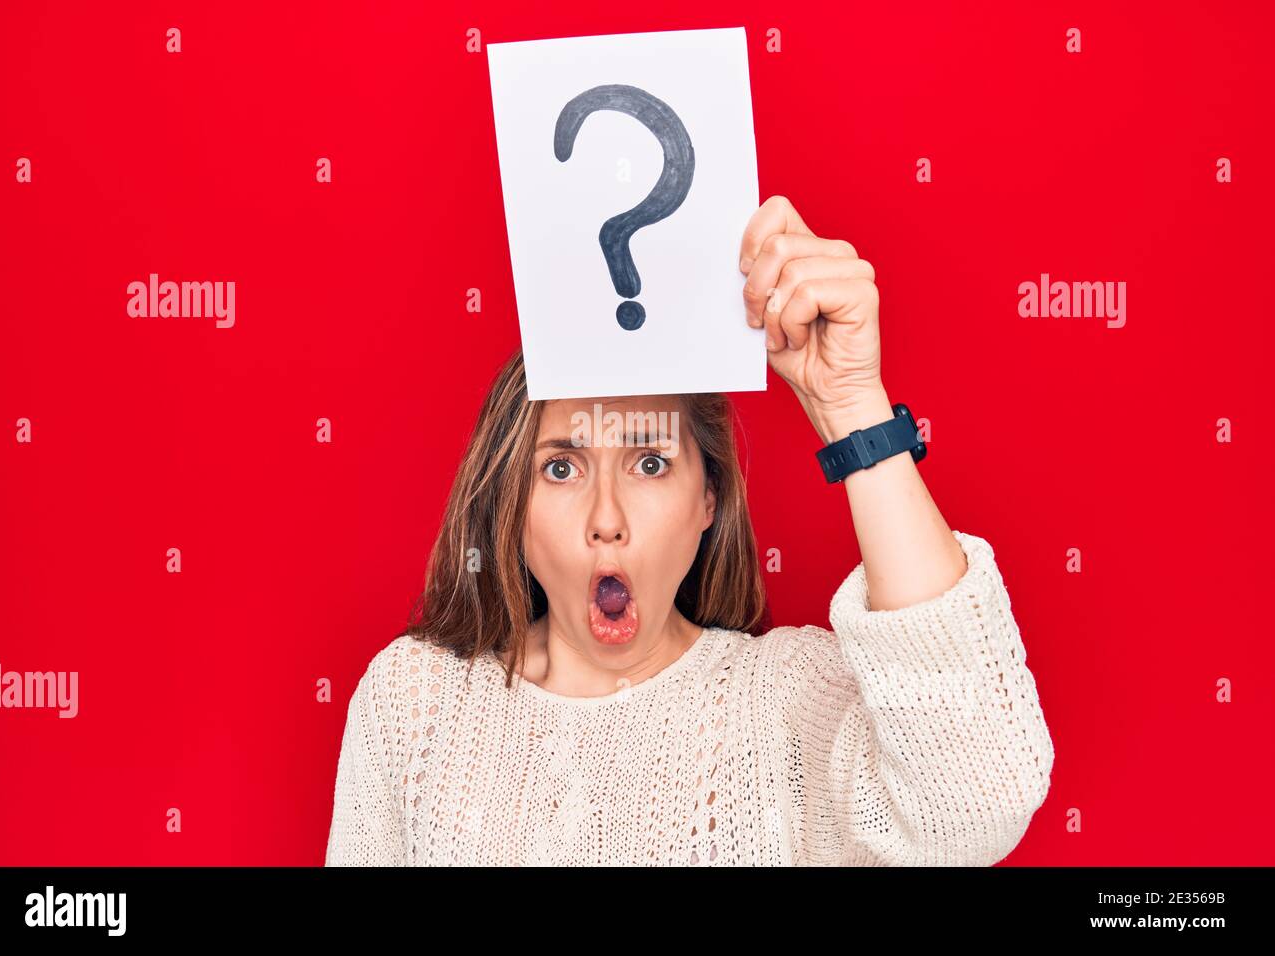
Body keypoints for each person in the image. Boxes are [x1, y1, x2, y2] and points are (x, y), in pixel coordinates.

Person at [324, 195, 1055, 866]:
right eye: (561, 468)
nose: (606, 520)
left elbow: (975, 807)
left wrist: (851, 405)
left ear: (709, 499)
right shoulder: (415, 705)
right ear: (507, 506)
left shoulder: (788, 704)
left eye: (648, 461)